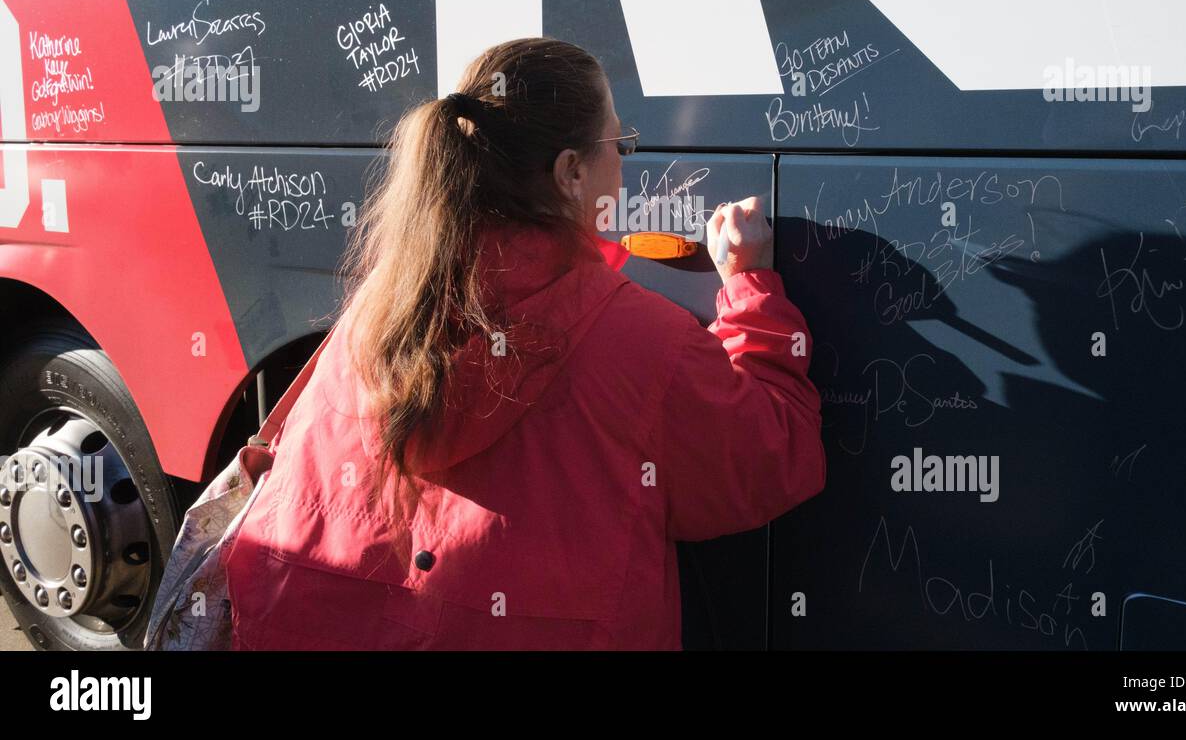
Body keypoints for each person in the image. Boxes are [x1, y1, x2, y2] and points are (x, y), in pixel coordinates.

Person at [223, 36, 825, 650]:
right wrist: (753, 292)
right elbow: (770, 456)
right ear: (571, 172)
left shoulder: (379, 307)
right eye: (619, 144)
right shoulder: (642, 342)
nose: (626, 162)